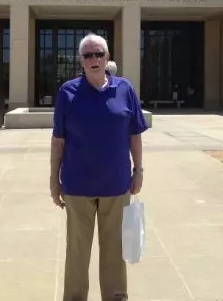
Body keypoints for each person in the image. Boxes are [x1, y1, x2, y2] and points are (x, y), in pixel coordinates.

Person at [50, 33, 148, 301]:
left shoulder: (124, 89)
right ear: (81, 61)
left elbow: (135, 135)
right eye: (88, 55)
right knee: (77, 253)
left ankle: (116, 296)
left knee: (115, 251)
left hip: (116, 185)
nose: (94, 59)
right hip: (77, 186)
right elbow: (58, 140)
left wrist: (138, 170)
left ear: (107, 58)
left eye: (99, 54)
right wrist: (53, 180)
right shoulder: (67, 92)